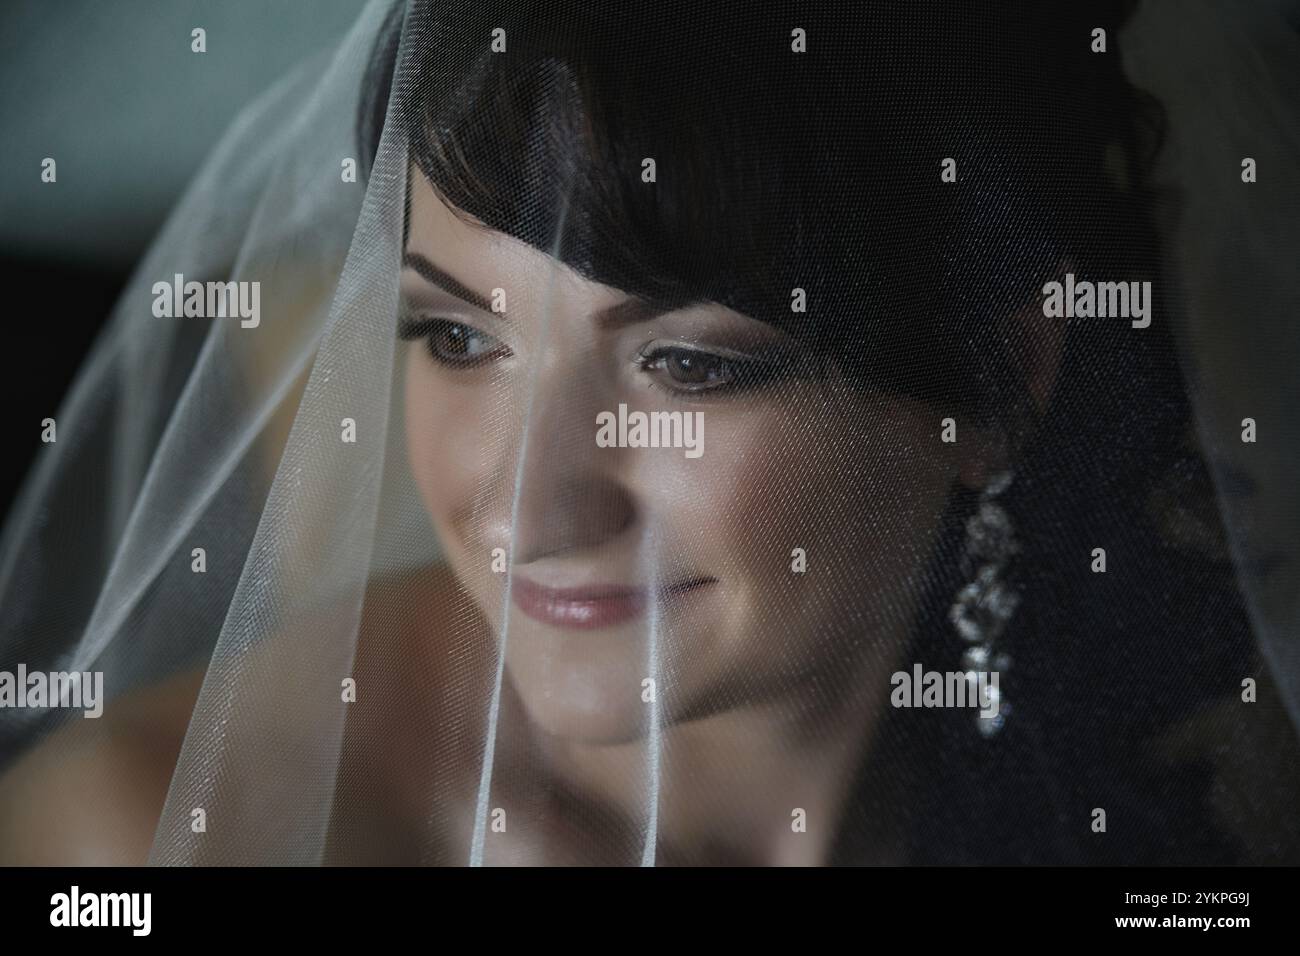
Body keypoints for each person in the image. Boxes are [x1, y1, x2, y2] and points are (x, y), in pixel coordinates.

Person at [1, 0, 1297, 866]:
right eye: (456, 337)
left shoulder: (1193, 742)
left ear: (989, 377)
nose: (524, 513)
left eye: (685, 364)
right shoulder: (151, 835)